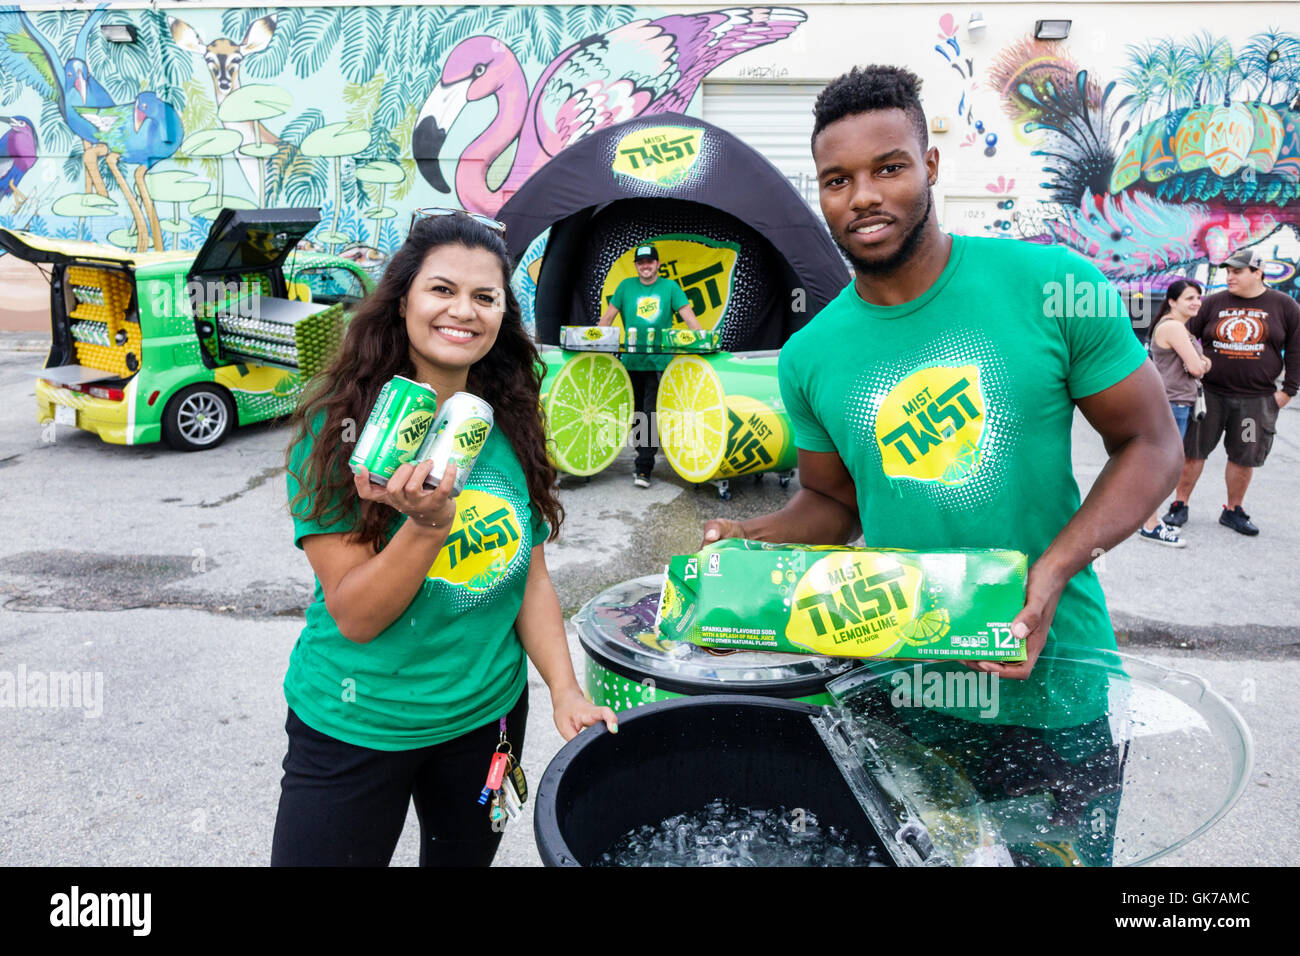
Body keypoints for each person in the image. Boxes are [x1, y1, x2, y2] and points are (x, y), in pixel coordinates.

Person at [698, 66, 1182, 863]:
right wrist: (750, 543)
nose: (863, 197)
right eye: (837, 180)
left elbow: (1153, 443)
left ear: (929, 165)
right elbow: (833, 504)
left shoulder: (1052, 286)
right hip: (901, 687)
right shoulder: (810, 354)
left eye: (888, 167)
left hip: (1051, 678)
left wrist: (1054, 569)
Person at [273, 210, 616, 867]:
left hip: (485, 720)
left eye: (485, 296)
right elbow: (357, 616)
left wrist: (565, 689)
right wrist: (427, 527)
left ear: (502, 315)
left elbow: (529, 578)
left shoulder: (509, 420)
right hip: (356, 720)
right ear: (402, 300)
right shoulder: (339, 430)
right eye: (441, 289)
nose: (463, 310)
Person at [1162, 246, 1300, 536]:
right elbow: (1183, 335)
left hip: (1255, 402)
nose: (1230, 277)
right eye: (1228, 271)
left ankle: (1233, 509)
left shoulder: (1284, 306)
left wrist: (1288, 391)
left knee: (1243, 454)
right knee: (1193, 451)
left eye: (1237, 271)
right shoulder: (1213, 303)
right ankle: (1179, 504)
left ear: (1258, 273)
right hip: (1209, 396)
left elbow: (1296, 350)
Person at [597, 243, 703, 487]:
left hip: (658, 362)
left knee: (650, 414)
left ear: (657, 264)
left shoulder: (670, 287)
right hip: (631, 362)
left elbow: (689, 318)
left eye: (650, 262)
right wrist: (592, 341)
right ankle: (643, 454)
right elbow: (608, 318)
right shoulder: (625, 287)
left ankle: (644, 468)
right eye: (641, 262)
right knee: (636, 415)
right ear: (636, 266)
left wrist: (704, 341)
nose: (645, 266)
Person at [1137, 278, 1210, 547]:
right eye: (1189, 298)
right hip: (1172, 404)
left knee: (1161, 465)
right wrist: (1202, 363)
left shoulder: (1177, 327)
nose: (1196, 303)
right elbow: (1198, 367)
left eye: (1198, 298)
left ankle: (1149, 520)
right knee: (1163, 468)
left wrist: (1201, 363)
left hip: (1175, 402)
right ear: (1172, 301)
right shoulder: (1174, 328)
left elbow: (1200, 364)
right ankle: (1150, 525)